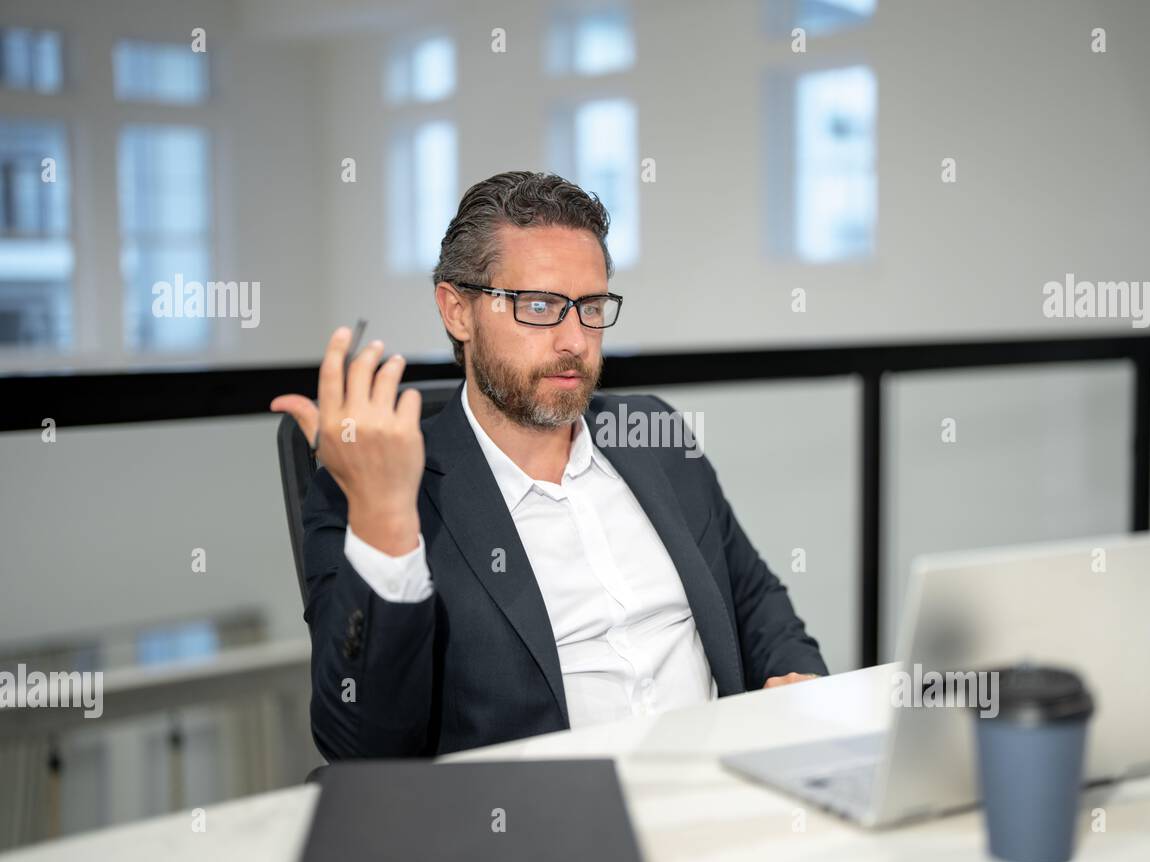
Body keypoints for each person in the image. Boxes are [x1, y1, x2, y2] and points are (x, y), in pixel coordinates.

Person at [272, 171, 827, 760]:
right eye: (539, 306)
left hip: (722, 797)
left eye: (590, 307)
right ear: (457, 311)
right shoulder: (379, 484)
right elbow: (362, 748)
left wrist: (797, 684)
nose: (574, 340)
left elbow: (756, 601)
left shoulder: (650, 433)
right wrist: (384, 519)